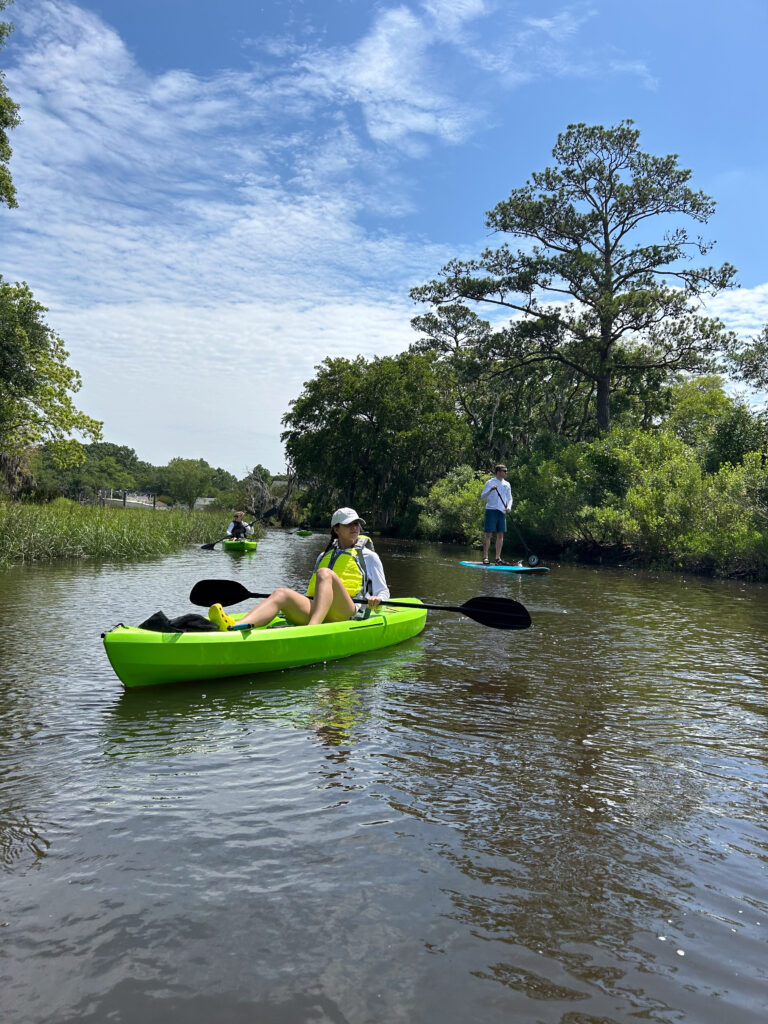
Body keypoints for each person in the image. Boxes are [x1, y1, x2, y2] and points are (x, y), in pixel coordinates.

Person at [208, 507, 390, 630]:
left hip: (346, 612)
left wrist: (377, 599)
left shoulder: (369, 557)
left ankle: (312, 630)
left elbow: (384, 592)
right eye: (350, 524)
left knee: (324, 573)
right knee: (282, 593)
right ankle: (235, 626)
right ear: (336, 529)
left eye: (357, 524)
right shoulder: (323, 557)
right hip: (317, 611)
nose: (355, 528)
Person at [480, 464, 512, 565]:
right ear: (498, 472)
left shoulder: (507, 484)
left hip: (502, 511)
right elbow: (483, 497)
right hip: (491, 510)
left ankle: (498, 558)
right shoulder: (490, 482)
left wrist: (509, 507)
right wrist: (490, 490)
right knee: (489, 534)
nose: (506, 473)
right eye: (504, 471)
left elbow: (510, 498)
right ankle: (485, 557)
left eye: (506, 471)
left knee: (500, 535)